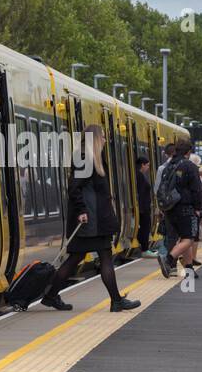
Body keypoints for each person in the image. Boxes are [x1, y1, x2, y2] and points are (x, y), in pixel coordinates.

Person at [41, 125, 140, 312]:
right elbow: (74, 187)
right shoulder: (85, 158)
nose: (104, 140)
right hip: (91, 221)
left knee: (76, 258)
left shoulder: (91, 158)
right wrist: (81, 211)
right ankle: (116, 301)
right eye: (102, 136)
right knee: (105, 257)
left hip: (93, 220)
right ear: (95, 138)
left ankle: (50, 295)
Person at [158, 139, 202, 279]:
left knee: (183, 238)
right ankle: (168, 259)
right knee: (189, 239)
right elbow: (197, 189)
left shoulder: (168, 166)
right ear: (188, 152)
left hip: (170, 208)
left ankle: (189, 270)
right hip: (186, 208)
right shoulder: (189, 166)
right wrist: (199, 207)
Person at [154, 142, 177, 254]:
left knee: (167, 232)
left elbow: (157, 189)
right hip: (180, 206)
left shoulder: (161, 168)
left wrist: (160, 207)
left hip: (166, 206)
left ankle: (164, 255)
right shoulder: (184, 165)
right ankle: (173, 257)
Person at [135, 154, 152, 255]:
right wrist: (141, 208)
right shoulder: (139, 175)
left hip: (144, 207)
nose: (148, 168)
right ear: (142, 165)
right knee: (145, 227)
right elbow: (140, 192)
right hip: (143, 208)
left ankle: (145, 248)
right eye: (147, 165)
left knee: (146, 227)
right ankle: (145, 249)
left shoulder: (139, 175)